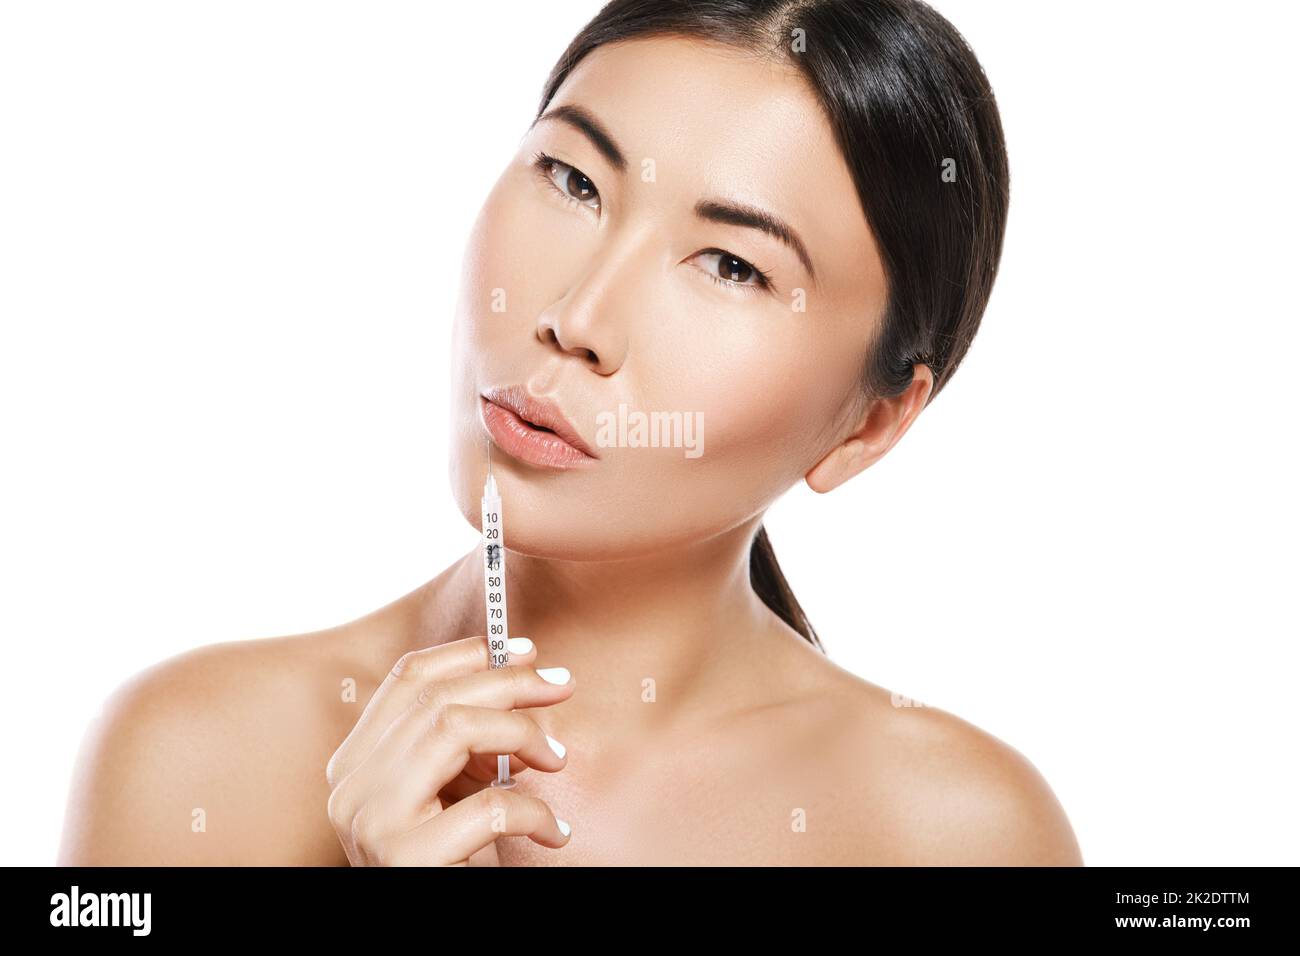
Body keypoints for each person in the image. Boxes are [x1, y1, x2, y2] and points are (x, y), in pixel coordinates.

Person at [58, 0, 1083, 866]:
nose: (577, 317)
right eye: (573, 181)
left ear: (870, 422)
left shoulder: (957, 833)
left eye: (730, 264)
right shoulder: (190, 760)